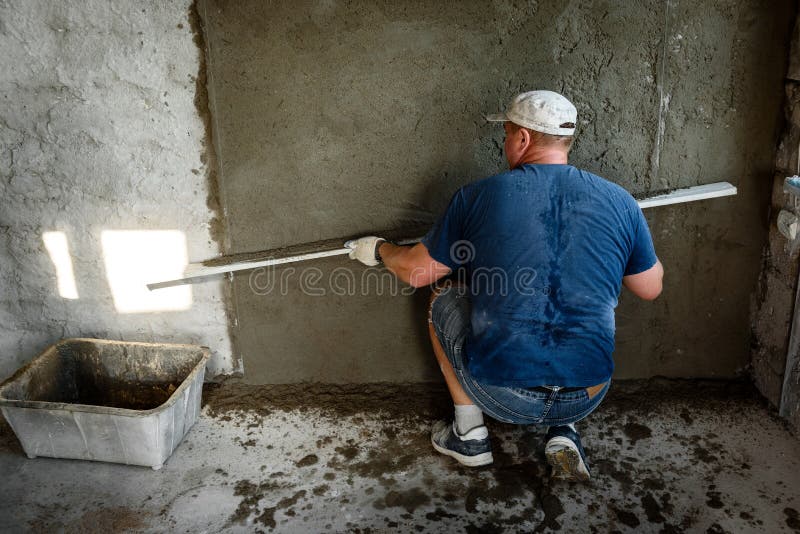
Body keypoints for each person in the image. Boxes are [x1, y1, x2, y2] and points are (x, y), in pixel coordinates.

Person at [345, 90, 663, 480]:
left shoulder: (478, 196)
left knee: (444, 294)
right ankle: (564, 430)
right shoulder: (620, 202)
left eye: (507, 134)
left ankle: (469, 434)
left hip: (505, 398)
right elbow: (649, 287)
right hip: (587, 396)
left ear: (523, 139)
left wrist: (379, 249)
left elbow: (416, 271)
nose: (506, 143)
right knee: (590, 292)